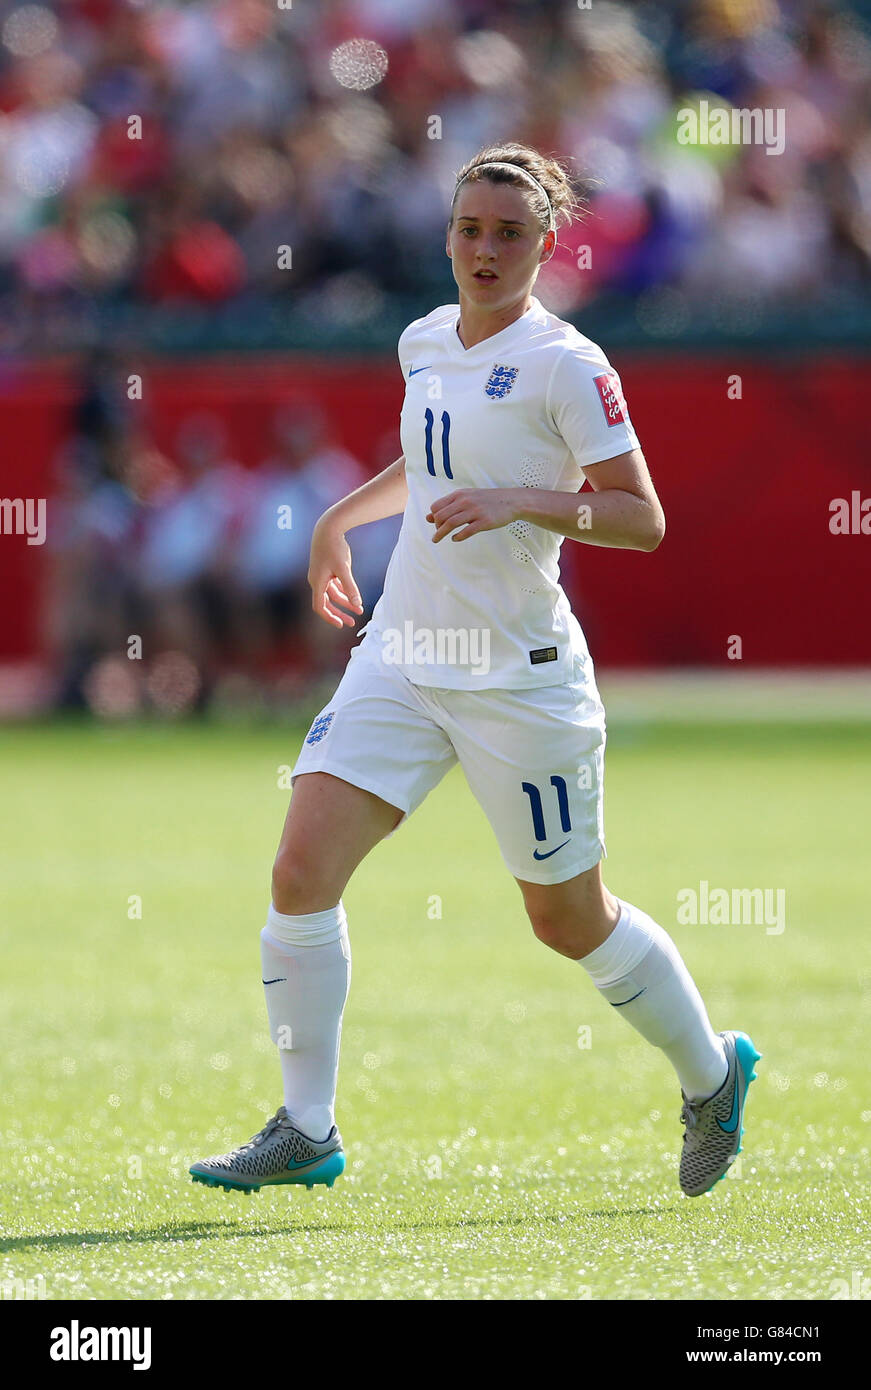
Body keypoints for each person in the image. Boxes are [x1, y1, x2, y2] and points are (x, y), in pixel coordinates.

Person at [190, 143, 761, 1198]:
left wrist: (521, 500)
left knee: (566, 919)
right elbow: (433, 461)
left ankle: (711, 1074)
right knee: (299, 873)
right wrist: (336, 519)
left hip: (519, 678)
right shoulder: (423, 340)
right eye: (469, 229)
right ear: (447, 236)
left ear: (547, 244)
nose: (485, 249)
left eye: (508, 232)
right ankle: (306, 1127)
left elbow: (640, 516)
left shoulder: (568, 364)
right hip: (405, 653)